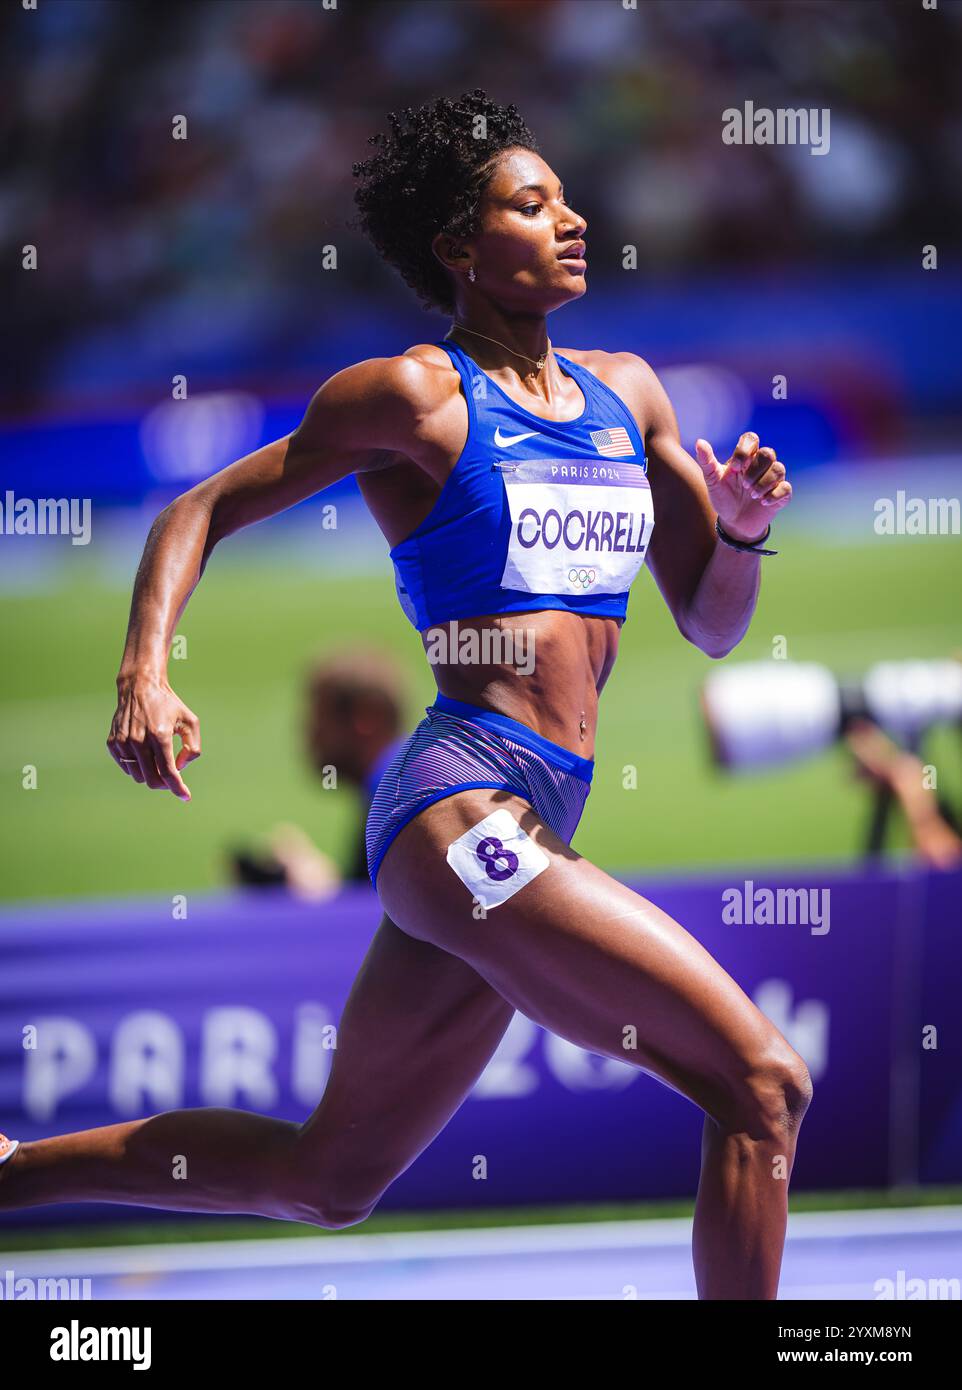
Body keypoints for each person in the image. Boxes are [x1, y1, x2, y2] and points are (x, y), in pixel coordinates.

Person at [1, 92, 807, 1300]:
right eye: (531, 206)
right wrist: (144, 673)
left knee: (331, 1179)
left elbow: (707, 619)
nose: (571, 221)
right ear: (457, 247)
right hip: (462, 808)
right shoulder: (415, 398)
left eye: (565, 198)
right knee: (759, 1083)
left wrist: (737, 534)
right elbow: (197, 507)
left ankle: (9, 1173)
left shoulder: (630, 396)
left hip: (541, 819)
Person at [229, 649, 407, 895]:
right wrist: (318, 881)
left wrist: (315, 891)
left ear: (367, 717)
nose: (309, 736)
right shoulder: (397, 780)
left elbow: (372, 917)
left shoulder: (394, 794)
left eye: (319, 718)